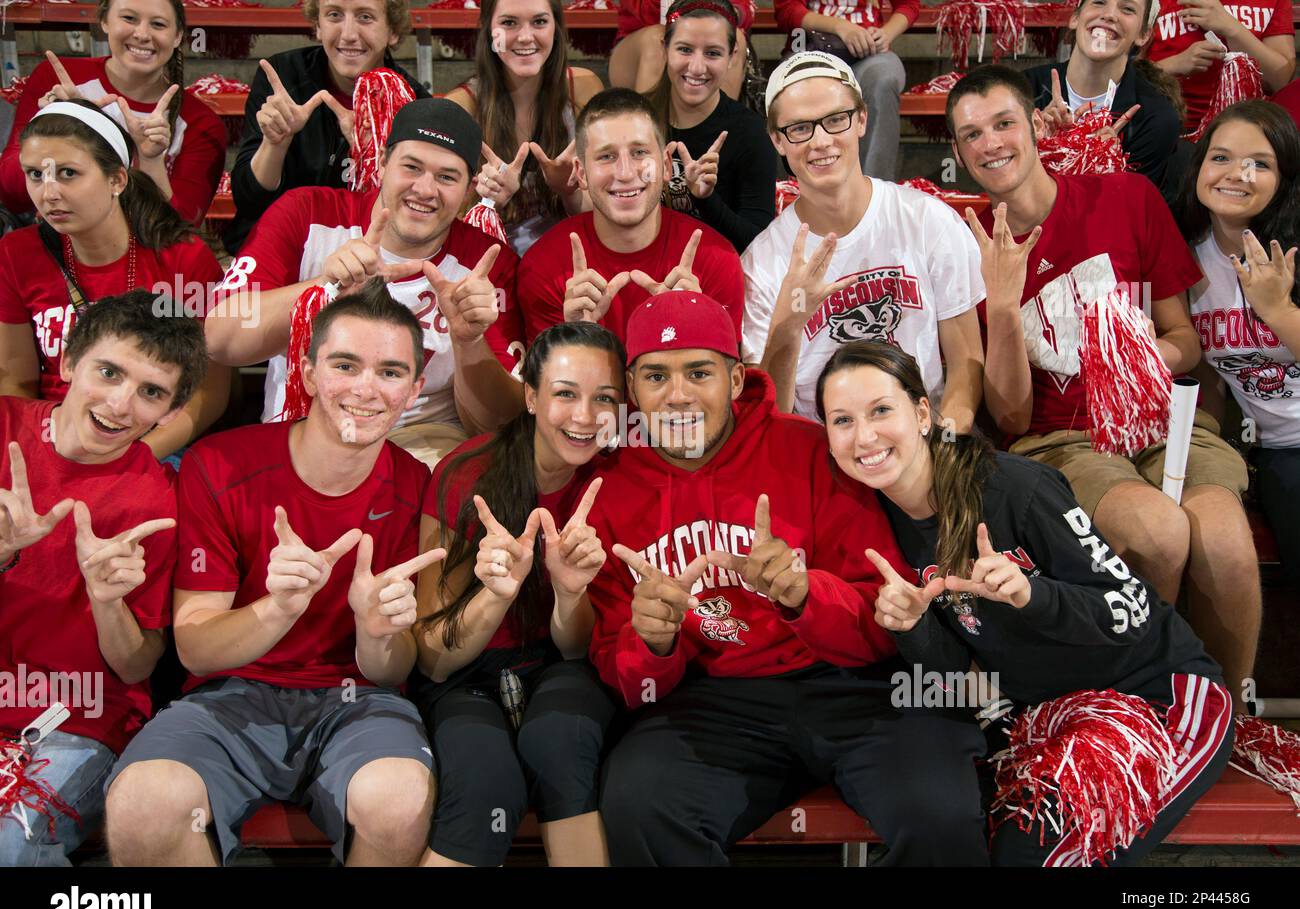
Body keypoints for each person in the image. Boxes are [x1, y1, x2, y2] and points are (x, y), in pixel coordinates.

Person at [586, 290, 991, 866]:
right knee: (640, 803)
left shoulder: (808, 448)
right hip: (716, 698)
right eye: (655, 376)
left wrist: (806, 596)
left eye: (699, 372)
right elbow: (621, 670)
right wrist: (652, 641)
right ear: (631, 390)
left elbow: (884, 615)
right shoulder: (608, 490)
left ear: (734, 380)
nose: (677, 395)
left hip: (855, 685)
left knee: (940, 813)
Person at [816, 339, 1232, 866]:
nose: (866, 436)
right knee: (960, 836)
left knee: (1027, 856)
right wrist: (914, 627)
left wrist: (1034, 596)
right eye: (843, 420)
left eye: (881, 411)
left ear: (922, 413)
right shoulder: (871, 521)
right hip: (1037, 717)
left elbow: (1133, 610)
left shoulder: (1015, 488)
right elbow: (948, 669)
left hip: (1156, 697)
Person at [949, 65, 1260, 712]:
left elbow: (1187, 341)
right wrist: (1004, 308)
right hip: (1061, 442)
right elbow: (1012, 414)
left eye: (1004, 123)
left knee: (1226, 541)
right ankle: (1137, 710)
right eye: (971, 134)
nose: (991, 143)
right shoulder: (965, 246)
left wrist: (1134, 354)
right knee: (1158, 534)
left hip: (1158, 417)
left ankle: (1223, 717)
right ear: (957, 152)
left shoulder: (1126, 198)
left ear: (1037, 125)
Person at [104, 282, 442, 867]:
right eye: (345, 365)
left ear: (414, 390)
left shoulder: (422, 486)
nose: (365, 389)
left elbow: (396, 669)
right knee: (143, 804)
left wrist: (376, 631)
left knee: (398, 802)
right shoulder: (220, 464)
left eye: (390, 372)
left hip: (359, 700)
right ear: (307, 373)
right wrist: (278, 608)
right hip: (232, 694)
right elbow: (196, 648)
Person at [206, 98, 525, 468]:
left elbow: (499, 423)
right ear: (384, 164)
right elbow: (219, 340)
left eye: (446, 177)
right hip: (304, 428)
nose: (424, 189)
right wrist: (324, 287)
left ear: (469, 188)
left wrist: (468, 341)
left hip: (419, 447)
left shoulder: (487, 264)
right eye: (411, 167)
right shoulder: (307, 213)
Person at [0, 289, 205, 865]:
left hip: (74, 721)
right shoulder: (3, 426)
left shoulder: (157, 500)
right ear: (67, 362)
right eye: (109, 372)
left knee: (11, 847)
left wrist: (107, 601)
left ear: (168, 413)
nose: (120, 404)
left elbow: (138, 666)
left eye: (150, 393)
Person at [411, 322, 623, 867]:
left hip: (563, 669)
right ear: (530, 396)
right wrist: (495, 596)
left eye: (604, 398)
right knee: (485, 789)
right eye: (565, 394)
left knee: (561, 744)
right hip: (469, 675)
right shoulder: (467, 475)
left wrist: (570, 595)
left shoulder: (620, 480)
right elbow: (436, 660)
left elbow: (578, 651)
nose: (584, 416)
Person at [744, 52, 986, 428]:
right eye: (799, 129)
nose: (821, 141)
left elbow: (966, 365)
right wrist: (788, 325)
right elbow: (769, 413)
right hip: (821, 459)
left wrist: (945, 451)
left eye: (835, 120)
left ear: (862, 120)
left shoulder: (928, 221)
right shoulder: (762, 263)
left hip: (924, 444)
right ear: (778, 140)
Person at [0, 100, 228, 460]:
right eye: (35, 174)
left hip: (149, 441)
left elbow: (210, 392)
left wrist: (133, 458)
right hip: (53, 437)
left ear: (117, 179)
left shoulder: (183, 258)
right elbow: (15, 380)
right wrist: (39, 451)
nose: (49, 193)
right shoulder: (16, 252)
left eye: (68, 173)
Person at [1176, 100, 1300, 587]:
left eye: (1260, 164)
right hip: (1278, 450)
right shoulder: (1186, 259)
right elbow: (1211, 379)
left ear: (1285, 177)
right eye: (1221, 157)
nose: (1237, 174)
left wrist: (1279, 310)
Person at [518, 88, 745, 345]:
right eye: (606, 156)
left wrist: (696, 328)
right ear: (580, 174)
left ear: (667, 166)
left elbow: (728, 382)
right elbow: (541, 385)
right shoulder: (543, 267)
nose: (625, 173)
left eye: (639, 152)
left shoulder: (716, 261)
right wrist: (575, 335)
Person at [224, 0, 430, 254]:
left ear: (393, 31)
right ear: (318, 26)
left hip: (366, 257)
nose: (349, 34)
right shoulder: (284, 76)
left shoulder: (413, 104)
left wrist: (372, 157)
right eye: (334, 15)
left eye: (365, 17)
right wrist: (276, 144)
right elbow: (249, 203)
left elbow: (411, 218)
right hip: (282, 248)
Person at [0, 0, 226, 225]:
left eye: (158, 24)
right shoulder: (57, 77)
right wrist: (60, 122)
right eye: (129, 18)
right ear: (104, 21)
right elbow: (12, 194)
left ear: (178, 36)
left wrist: (151, 161)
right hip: (59, 248)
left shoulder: (201, 122)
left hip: (143, 254)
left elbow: (182, 231)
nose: (142, 34)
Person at [443, 0, 603, 257]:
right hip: (494, 271)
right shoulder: (460, 108)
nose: (526, 37)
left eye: (539, 22)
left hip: (571, 264)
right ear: (488, 31)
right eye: (509, 23)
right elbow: (442, 228)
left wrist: (568, 191)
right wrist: (490, 202)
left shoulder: (582, 89)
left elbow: (605, 210)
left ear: (556, 28)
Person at [647, 0, 778, 254]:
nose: (696, 67)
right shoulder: (636, 119)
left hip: (719, 273)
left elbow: (758, 242)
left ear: (732, 57)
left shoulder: (750, 133)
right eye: (684, 49)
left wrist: (705, 198)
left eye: (713, 53)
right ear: (664, 49)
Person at [1022, 0, 1187, 201]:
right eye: (1099, 2)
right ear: (1075, 18)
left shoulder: (1156, 118)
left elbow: (1131, 214)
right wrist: (1040, 146)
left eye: (1127, 9)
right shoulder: (1022, 92)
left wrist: (1109, 167)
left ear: (1144, 35)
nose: (1109, 15)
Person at [773, 0, 919, 179]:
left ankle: (875, 190)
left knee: (884, 80)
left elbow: (909, 5)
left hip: (869, 51)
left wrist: (886, 34)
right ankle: (800, 190)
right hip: (810, 49)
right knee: (794, 88)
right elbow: (787, 10)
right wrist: (841, 27)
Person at [1147, 0, 1296, 133]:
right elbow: (1127, 74)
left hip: (1253, 127)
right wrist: (1174, 64)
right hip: (1173, 129)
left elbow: (1280, 82)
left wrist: (1232, 29)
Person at [608, 0, 753, 102]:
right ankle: (647, 132)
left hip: (698, 34)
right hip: (639, 43)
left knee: (735, 38)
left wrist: (724, 13)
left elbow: (744, 11)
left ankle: (722, 131)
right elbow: (646, 11)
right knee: (657, 39)